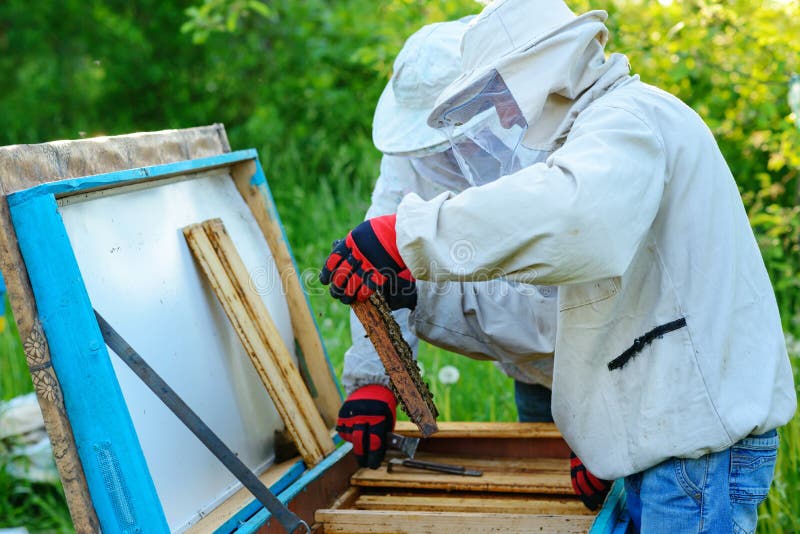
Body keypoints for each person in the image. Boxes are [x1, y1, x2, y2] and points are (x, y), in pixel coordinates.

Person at [321, 0, 797, 532]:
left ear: (540, 70)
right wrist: (403, 317)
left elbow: (574, 231)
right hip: (662, 432)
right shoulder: (610, 126)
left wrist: (407, 238)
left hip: (691, 449)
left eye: (500, 94)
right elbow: (591, 305)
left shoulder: (627, 124)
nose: (502, 113)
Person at [327, 15, 612, 511]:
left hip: (610, 372)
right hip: (534, 374)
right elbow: (381, 265)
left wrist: (606, 423)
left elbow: (581, 305)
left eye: (448, 141)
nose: (441, 157)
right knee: (550, 510)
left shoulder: (558, 140)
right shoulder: (411, 158)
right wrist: (374, 381)